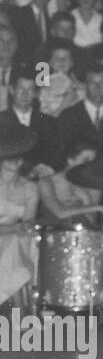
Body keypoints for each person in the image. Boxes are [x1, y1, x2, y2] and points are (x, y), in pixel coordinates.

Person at [0, 116, 40, 307]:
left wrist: (25, 226)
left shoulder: (30, 187)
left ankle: (27, 307)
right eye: (10, 156)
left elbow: (28, 221)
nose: (15, 160)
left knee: (27, 241)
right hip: (5, 235)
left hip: (16, 236)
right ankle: (20, 308)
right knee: (13, 244)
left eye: (19, 156)